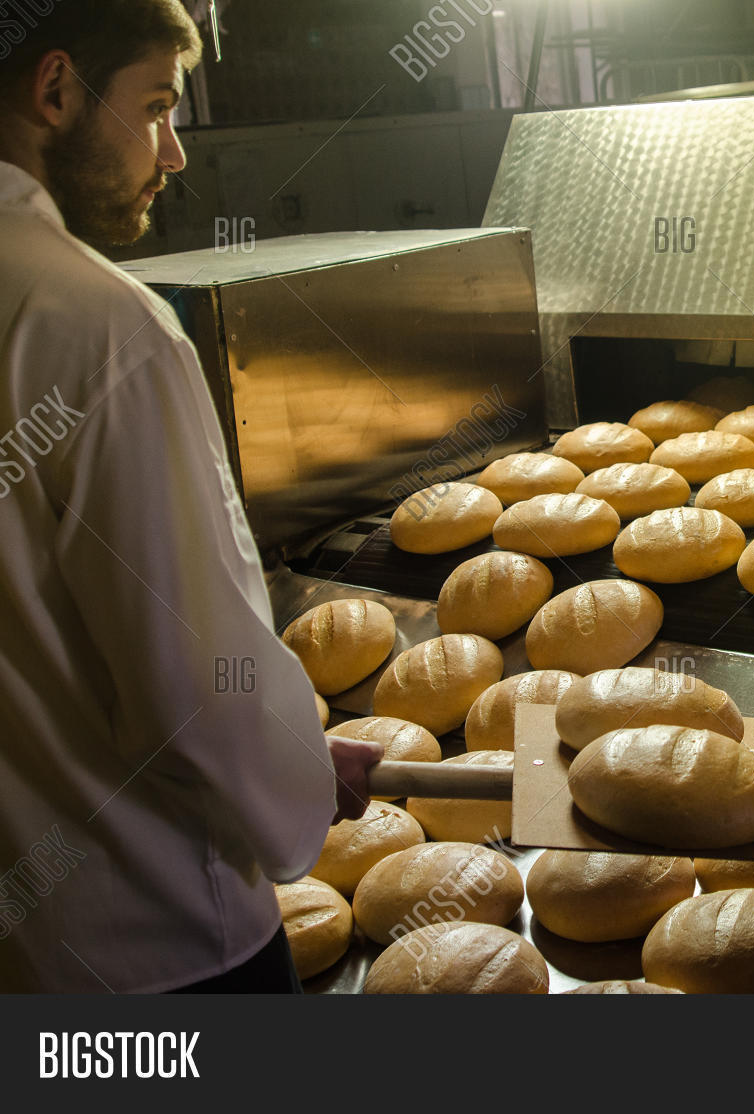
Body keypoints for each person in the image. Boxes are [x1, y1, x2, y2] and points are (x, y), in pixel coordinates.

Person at [0, 0, 383, 992]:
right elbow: (197, 685)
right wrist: (297, 783)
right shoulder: (99, 326)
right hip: (154, 943)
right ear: (55, 90)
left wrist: (291, 752)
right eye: (158, 106)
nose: (171, 155)